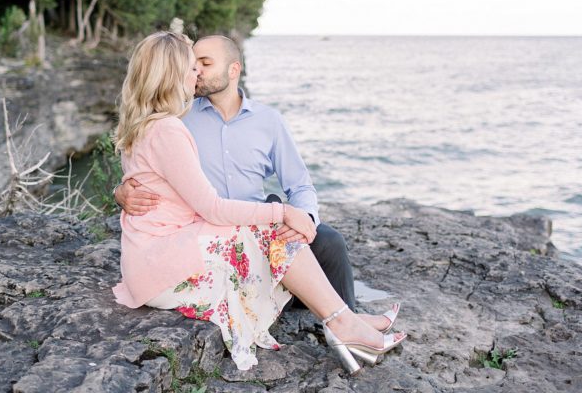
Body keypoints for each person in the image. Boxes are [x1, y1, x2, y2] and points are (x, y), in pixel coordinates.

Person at [111, 31, 405, 373]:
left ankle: (346, 318)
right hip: (208, 230)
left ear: (234, 69)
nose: (198, 72)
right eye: (192, 66)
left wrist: (302, 217)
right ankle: (343, 324)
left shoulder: (265, 120)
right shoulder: (177, 121)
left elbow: (300, 184)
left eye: (204, 63)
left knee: (325, 240)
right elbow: (192, 196)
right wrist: (121, 192)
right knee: (275, 233)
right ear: (173, 73)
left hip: (220, 228)